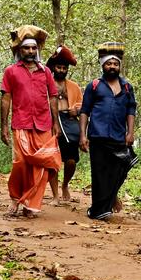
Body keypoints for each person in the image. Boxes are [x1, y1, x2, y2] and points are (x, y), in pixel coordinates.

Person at [0, 26, 61, 217]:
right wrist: (3, 127)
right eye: (26, 48)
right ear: (19, 50)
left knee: (43, 164)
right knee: (21, 164)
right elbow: (6, 99)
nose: (31, 52)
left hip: (43, 124)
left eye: (34, 48)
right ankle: (15, 197)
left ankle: (31, 204)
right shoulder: (11, 71)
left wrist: (56, 123)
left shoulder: (46, 73)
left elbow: (52, 98)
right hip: (21, 123)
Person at [79, 42, 137, 220]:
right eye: (109, 63)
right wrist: (82, 135)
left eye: (116, 64)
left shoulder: (127, 87)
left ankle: (111, 198)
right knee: (99, 174)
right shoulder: (94, 85)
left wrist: (130, 132)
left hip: (119, 136)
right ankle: (98, 211)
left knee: (120, 168)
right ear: (103, 65)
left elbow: (131, 110)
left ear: (119, 66)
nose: (112, 66)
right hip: (97, 136)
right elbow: (84, 111)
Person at [46, 45, 83, 202]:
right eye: (58, 67)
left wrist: (76, 110)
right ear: (54, 68)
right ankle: (55, 195)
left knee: (71, 160)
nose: (61, 70)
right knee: (52, 160)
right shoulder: (46, 84)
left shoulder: (74, 87)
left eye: (64, 68)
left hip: (70, 122)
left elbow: (83, 106)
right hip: (50, 122)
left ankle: (65, 184)